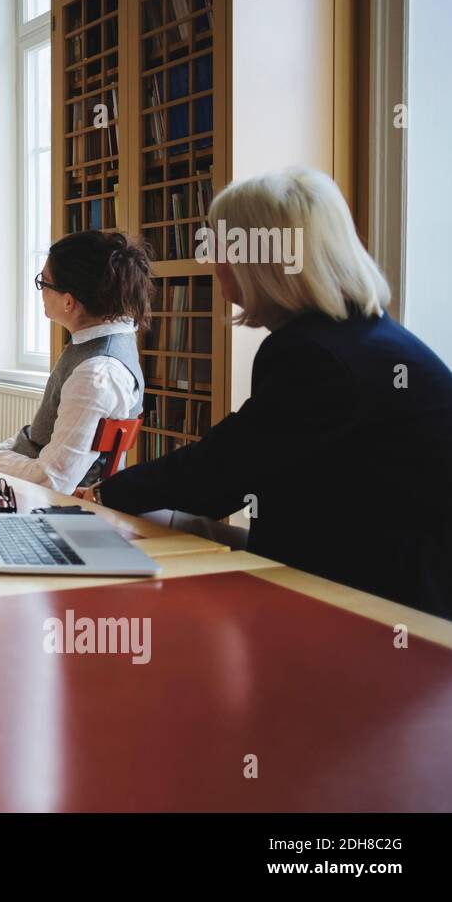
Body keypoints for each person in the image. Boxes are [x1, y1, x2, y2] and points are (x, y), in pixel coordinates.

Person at [78, 167, 452, 620]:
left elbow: (220, 474)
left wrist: (101, 497)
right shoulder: (357, 336)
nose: (210, 262)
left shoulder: (315, 352)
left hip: (381, 606)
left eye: (217, 245)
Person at [0, 231, 152, 494]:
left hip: (47, 504)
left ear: (68, 301)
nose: (40, 291)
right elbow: (38, 442)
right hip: (27, 490)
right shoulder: (97, 343)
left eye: (43, 282)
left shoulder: (98, 374)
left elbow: (52, 479)